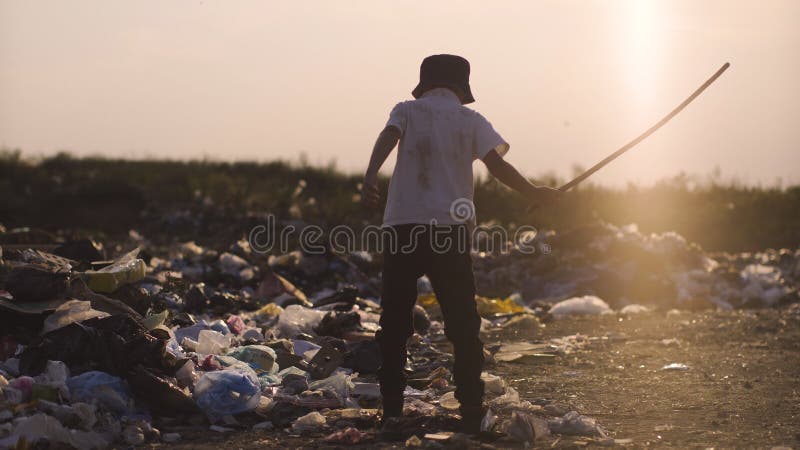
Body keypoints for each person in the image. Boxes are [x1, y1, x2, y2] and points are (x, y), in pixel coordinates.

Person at [362, 54, 562, 433]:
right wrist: (533, 192)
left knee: (395, 323)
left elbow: (388, 136)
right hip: (449, 234)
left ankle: (391, 411)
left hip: (403, 228)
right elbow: (497, 166)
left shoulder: (406, 110)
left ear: (425, 84)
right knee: (462, 324)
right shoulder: (471, 121)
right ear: (461, 87)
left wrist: (371, 176)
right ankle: (470, 410)